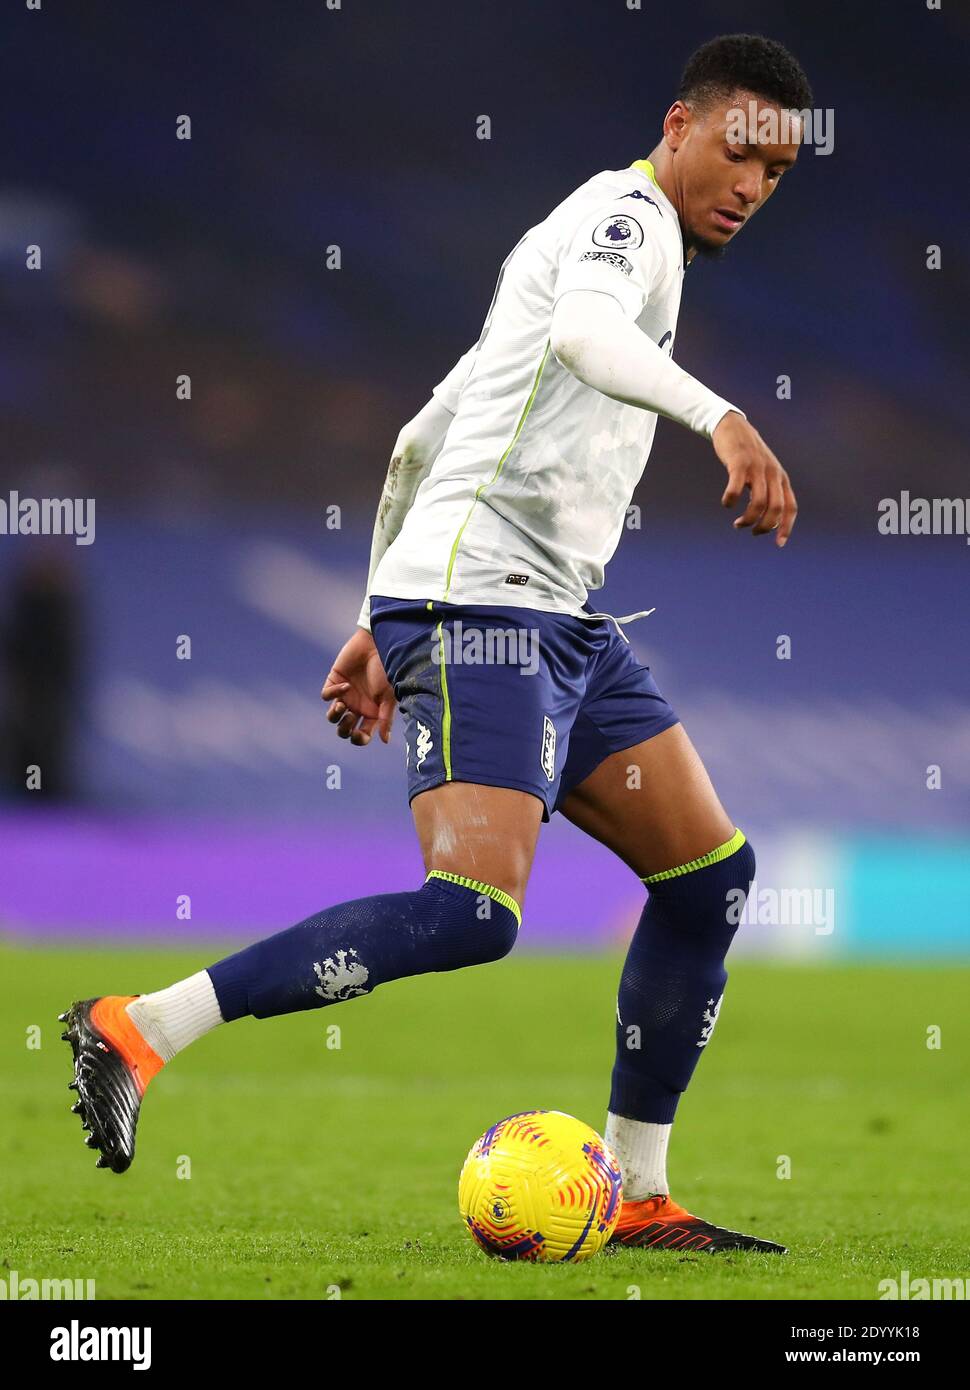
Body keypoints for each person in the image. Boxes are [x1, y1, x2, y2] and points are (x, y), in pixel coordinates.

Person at [62, 33, 809, 1253]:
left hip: (549, 612)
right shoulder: (623, 221)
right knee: (472, 908)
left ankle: (639, 1189)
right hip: (486, 609)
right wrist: (719, 415)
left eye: (775, 176)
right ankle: (140, 1025)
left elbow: (422, 434)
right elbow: (582, 338)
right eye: (739, 152)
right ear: (680, 125)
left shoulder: (584, 239)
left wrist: (369, 616)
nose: (750, 186)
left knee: (708, 880)